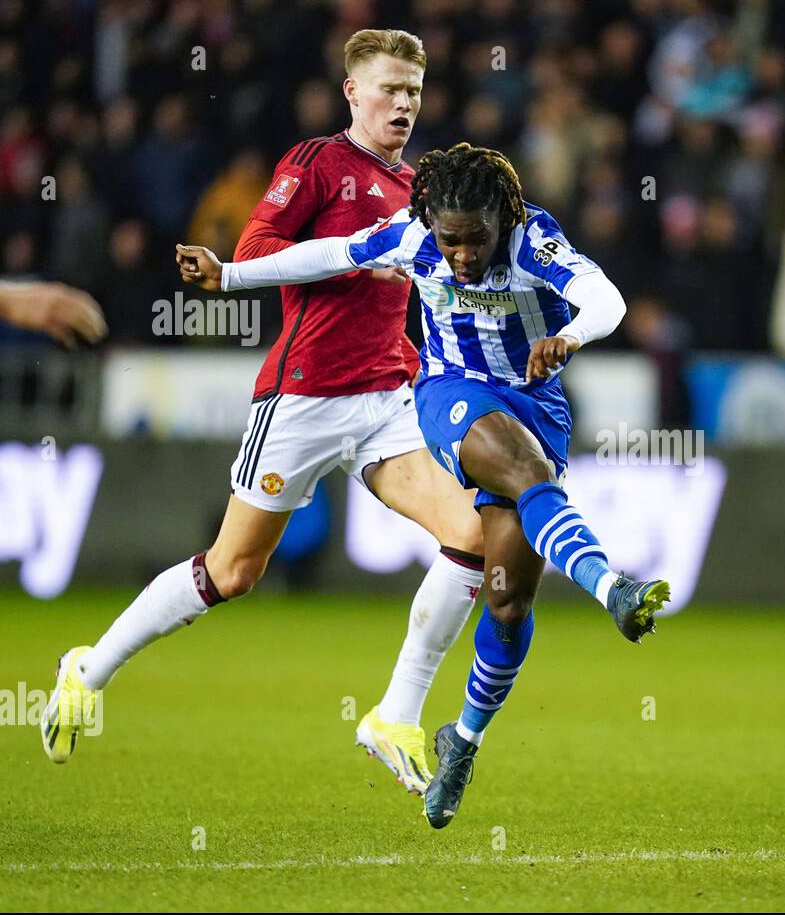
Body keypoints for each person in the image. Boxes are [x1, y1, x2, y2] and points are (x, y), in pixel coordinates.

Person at [40, 30, 485, 799]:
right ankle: (91, 666)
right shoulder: (315, 165)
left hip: (386, 398)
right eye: (388, 88)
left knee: (473, 535)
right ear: (353, 92)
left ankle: (394, 714)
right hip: (306, 396)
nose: (403, 103)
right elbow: (255, 241)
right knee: (233, 571)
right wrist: (344, 251)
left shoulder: (417, 184)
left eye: (413, 91)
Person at [177, 142, 671, 830]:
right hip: (449, 396)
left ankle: (463, 740)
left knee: (506, 602)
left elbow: (605, 298)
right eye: (450, 241)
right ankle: (610, 587)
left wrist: (574, 335)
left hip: (538, 408)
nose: (462, 255)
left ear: (504, 218)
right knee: (523, 472)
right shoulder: (413, 236)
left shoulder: (535, 240)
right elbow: (328, 254)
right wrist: (230, 275)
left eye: (475, 240)